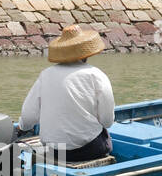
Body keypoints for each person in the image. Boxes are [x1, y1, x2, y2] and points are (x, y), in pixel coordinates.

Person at [19, 25, 115, 164]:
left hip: (55, 150)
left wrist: (21, 128)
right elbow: (107, 121)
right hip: (89, 149)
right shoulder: (97, 75)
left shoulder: (45, 75)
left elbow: (28, 118)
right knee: (105, 136)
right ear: (87, 53)